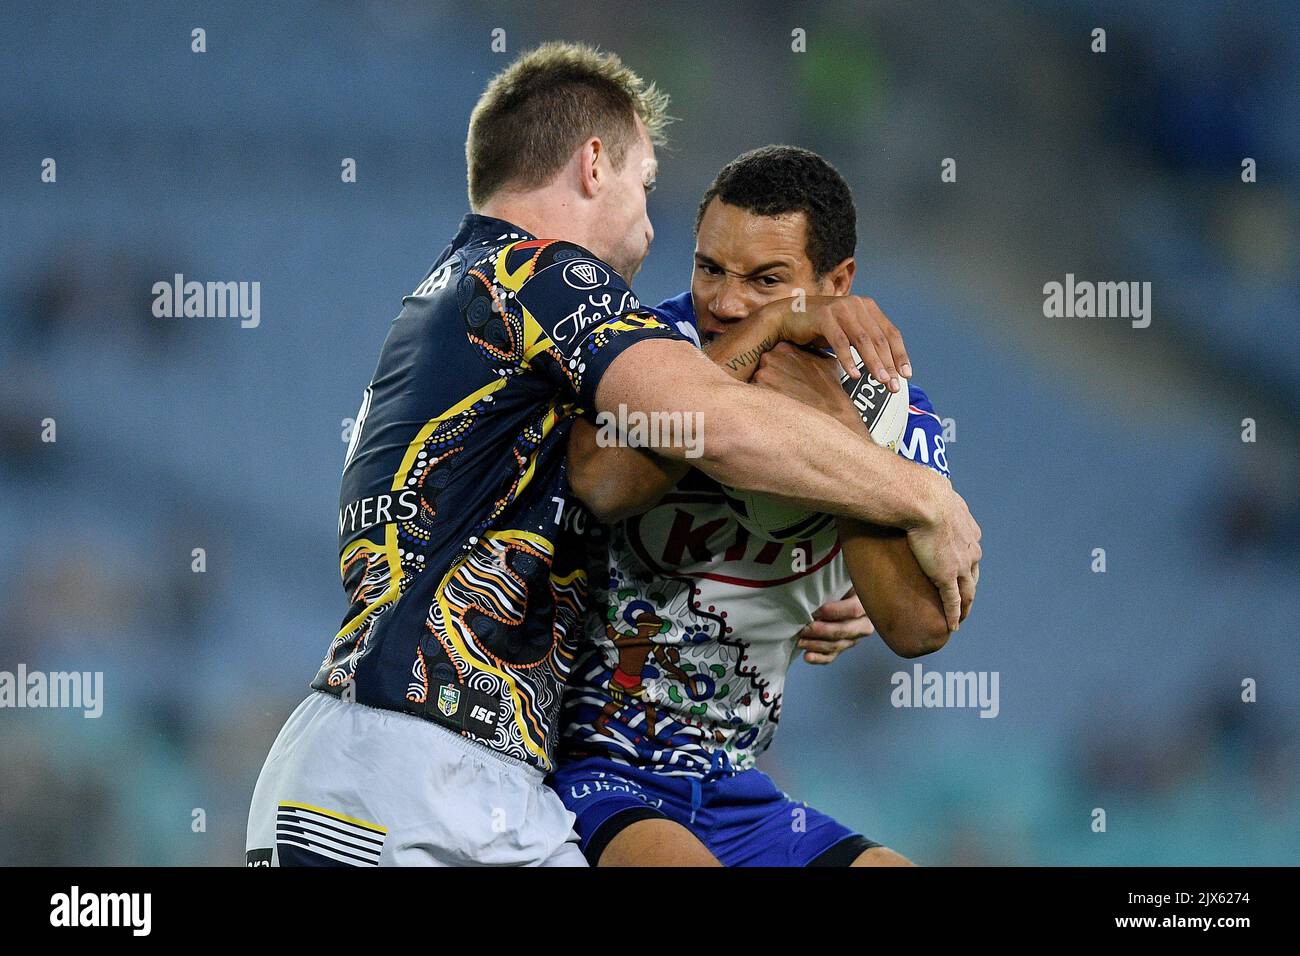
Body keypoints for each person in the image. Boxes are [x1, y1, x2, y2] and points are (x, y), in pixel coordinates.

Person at [246, 43, 979, 866]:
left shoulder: (474, 287)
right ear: (595, 164)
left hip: (484, 777)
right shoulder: (541, 275)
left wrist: (810, 570)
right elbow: (701, 426)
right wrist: (923, 497)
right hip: (407, 763)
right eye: (647, 182)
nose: (651, 222)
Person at [552, 146, 959, 866]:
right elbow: (604, 480)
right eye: (710, 268)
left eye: (767, 281)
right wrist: (765, 332)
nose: (727, 302)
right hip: (599, 768)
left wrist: (836, 434)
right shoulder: (645, 350)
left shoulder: (895, 415)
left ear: (836, 283)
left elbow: (918, 625)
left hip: (735, 787)